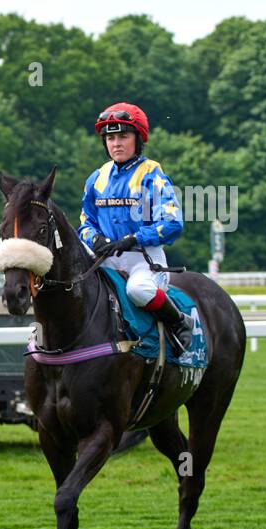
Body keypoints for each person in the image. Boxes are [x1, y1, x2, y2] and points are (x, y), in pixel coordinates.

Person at [79, 102, 195, 354]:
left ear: (138, 139)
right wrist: (93, 238)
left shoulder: (151, 173)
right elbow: (85, 222)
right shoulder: (96, 177)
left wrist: (133, 239)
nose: (116, 143)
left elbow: (173, 223)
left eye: (123, 136)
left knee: (137, 290)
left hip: (144, 260)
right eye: (110, 137)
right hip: (105, 259)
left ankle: (180, 321)